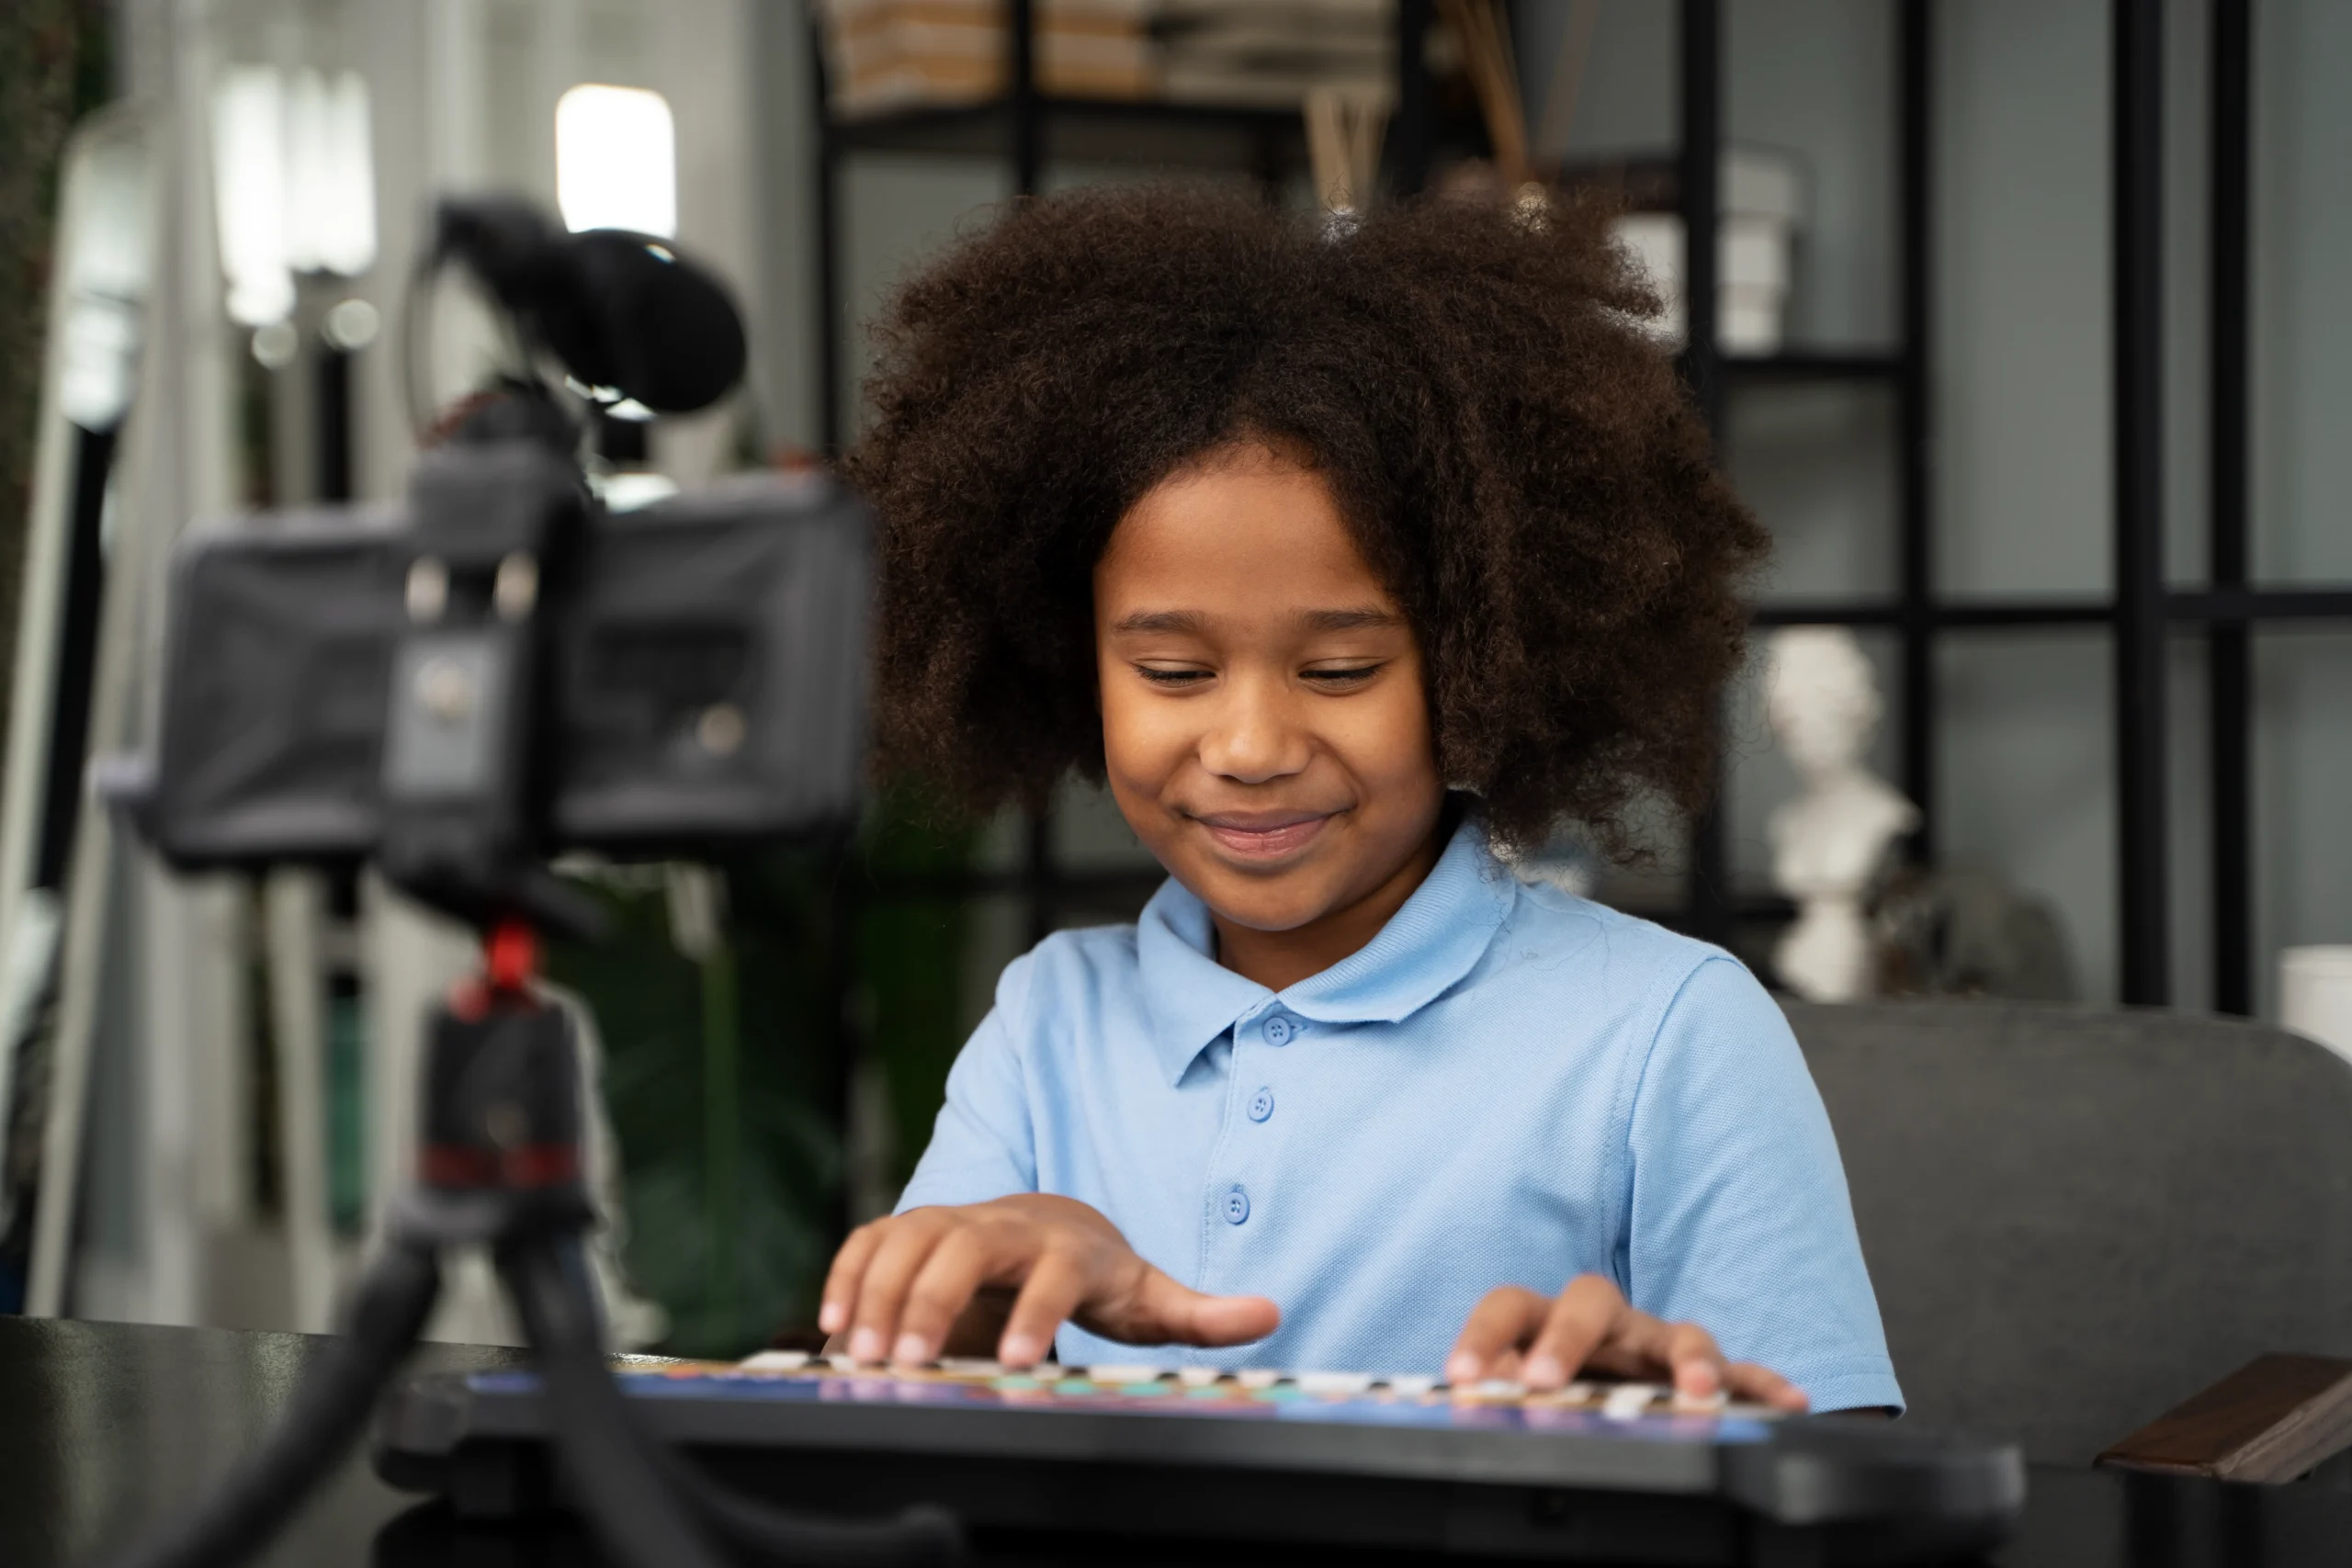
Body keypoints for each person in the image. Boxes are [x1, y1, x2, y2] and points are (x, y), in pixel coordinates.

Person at [819, 184, 1901, 1416]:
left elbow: (1839, 1482)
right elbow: (903, 1438)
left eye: (1341, 670)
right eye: (1173, 671)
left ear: (1484, 661)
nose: (1251, 743)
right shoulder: (1044, 1031)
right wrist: (958, 1318)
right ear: (1074, 662)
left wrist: (1659, 1443)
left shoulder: (1667, 1034)